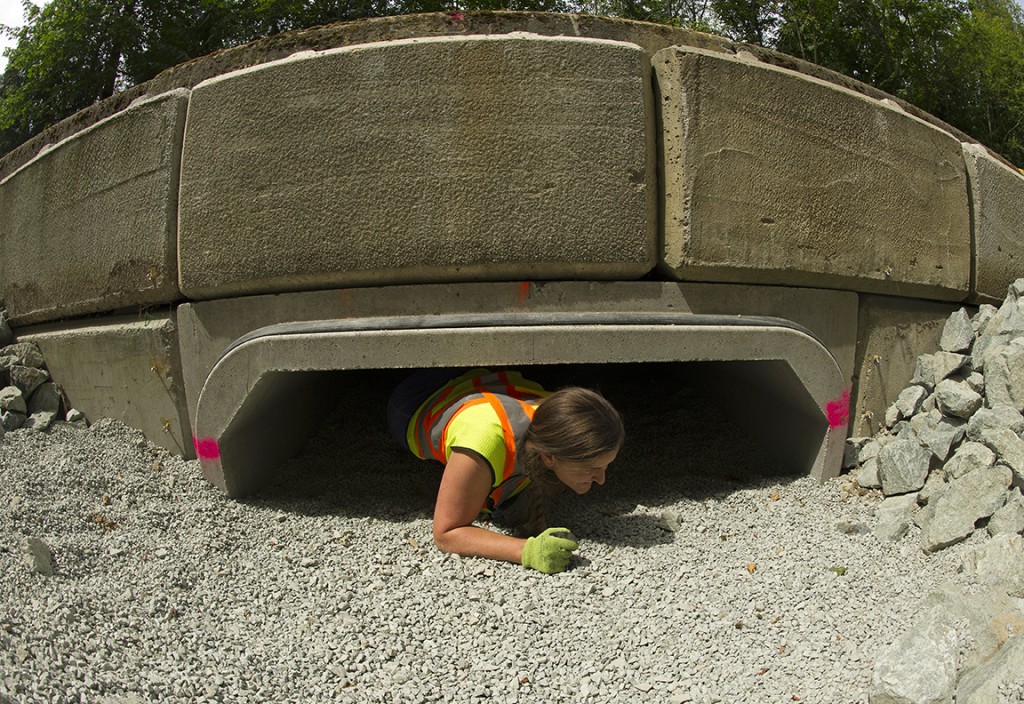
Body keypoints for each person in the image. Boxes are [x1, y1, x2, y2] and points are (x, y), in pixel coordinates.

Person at [387, 368, 624, 574]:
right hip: (417, 399)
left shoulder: (561, 417)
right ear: (549, 457)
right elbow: (447, 533)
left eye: (605, 466)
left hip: (483, 384)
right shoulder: (485, 438)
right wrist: (526, 550)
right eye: (592, 468)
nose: (602, 480)